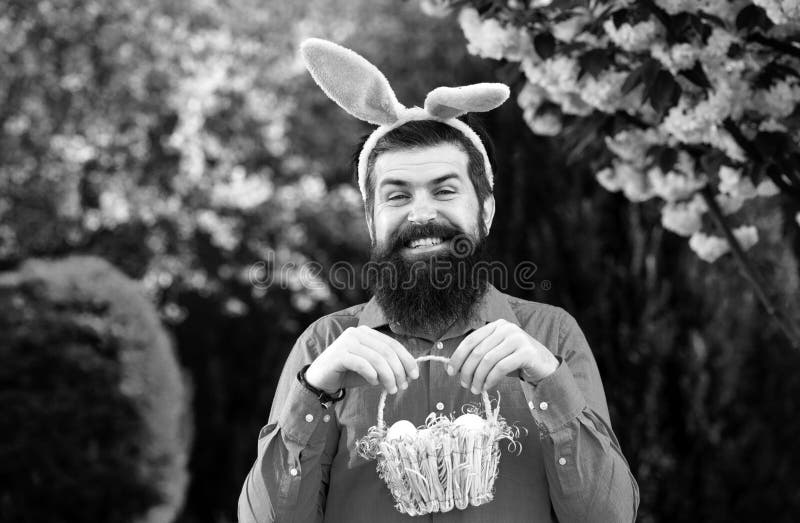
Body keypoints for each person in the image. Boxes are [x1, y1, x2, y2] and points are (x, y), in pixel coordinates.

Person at [238, 38, 639, 522]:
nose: (422, 213)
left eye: (445, 190)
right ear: (372, 222)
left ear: (485, 212)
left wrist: (547, 379)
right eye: (397, 196)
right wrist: (315, 389)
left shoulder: (552, 337)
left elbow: (610, 516)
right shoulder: (324, 347)